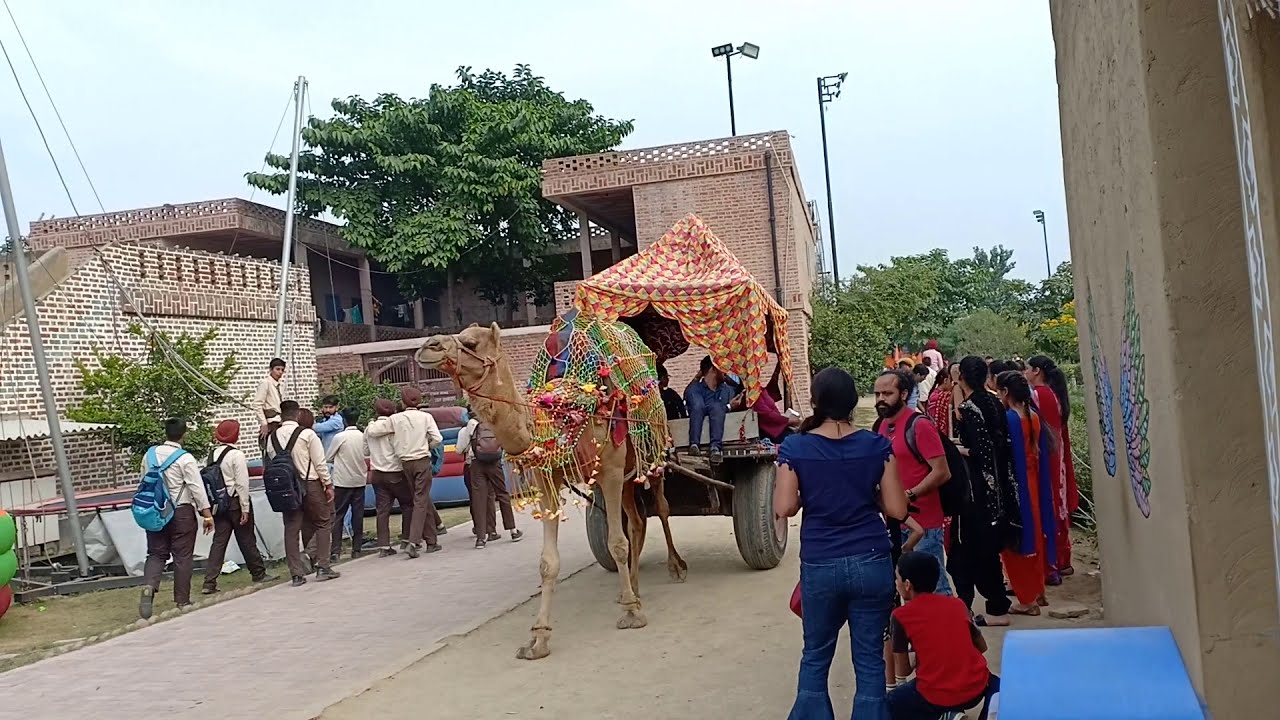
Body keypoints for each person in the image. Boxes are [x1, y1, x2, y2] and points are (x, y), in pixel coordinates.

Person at [775, 367, 908, 720]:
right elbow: (896, 508)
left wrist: (812, 493)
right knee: (868, 658)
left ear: (816, 401)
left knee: (816, 654)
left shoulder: (796, 448)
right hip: (871, 559)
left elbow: (784, 507)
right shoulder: (877, 445)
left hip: (821, 562)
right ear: (852, 402)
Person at [948, 357, 1018, 627]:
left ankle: (991, 606)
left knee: (970, 548)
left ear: (962, 377)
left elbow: (980, 451)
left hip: (977, 489)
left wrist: (957, 449)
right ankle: (993, 603)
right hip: (999, 486)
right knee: (985, 548)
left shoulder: (970, 407)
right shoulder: (993, 402)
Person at [887, 552, 999, 720]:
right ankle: (989, 710)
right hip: (976, 687)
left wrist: (917, 654)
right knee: (995, 682)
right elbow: (982, 646)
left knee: (891, 703)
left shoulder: (900, 616)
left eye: (897, 578)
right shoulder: (957, 604)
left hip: (937, 695)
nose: (896, 583)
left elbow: (903, 670)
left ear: (907, 584)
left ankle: (945, 716)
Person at [874, 370, 953, 596]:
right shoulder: (882, 426)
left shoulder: (919, 425)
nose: (881, 399)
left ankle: (956, 629)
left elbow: (942, 472)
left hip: (925, 523)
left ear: (903, 394)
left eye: (888, 393)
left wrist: (909, 494)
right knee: (907, 589)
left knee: (935, 589)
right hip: (896, 523)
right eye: (878, 393)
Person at [139, 418, 215, 619]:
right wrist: (207, 515)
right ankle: (182, 600)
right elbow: (196, 488)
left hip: (156, 511)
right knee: (182, 556)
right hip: (181, 512)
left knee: (156, 553)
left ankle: (149, 585)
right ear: (184, 434)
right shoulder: (185, 458)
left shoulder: (150, 454)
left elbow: (143, 480)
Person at [995, 371, 1056, 615]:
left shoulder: (1010, 418)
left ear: (1006, 392)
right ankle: (1038, 591)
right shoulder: (1033, 416)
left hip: (1018, 486)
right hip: (1034, 484)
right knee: (1036, 536)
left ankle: (1027, 599)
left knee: (1016, 541)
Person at [270, 400, 340, 586]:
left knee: (291, 529)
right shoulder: (307, 434)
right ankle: (323, 566)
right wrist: (328, 484)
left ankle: (296, 574)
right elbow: (319, 462)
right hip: (310, 483)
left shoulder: (271, 437)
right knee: (324, 521)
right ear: (297, 414)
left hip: (286, 487)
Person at [201, 419, 273, 595]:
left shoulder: (211, 455)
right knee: (246, 539)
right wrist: (245, 507)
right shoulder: (236, 455)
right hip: (235, 501)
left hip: (218, 503)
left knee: (219, 542)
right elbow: (242, 484)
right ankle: (258, 573)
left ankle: (209, 582)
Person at [1026, 355, 1078, 580]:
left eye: (1027, 369)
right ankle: (1061, 558)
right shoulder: (1051, 394)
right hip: (1056, 459)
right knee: (1058, 506)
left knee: (1052, 507)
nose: (1025, 372)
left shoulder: (1040, 395)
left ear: (1037, 371)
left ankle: (1055, 560)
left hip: (1049, 460)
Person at [384, 387, 444, 557]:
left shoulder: (395, 419)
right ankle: (414, 541)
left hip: (405, 462)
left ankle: (431, 541)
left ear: (402, 402)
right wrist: (427, 445)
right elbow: (438, 439)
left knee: (421, 499)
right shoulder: (426, 417)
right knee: (421, 500)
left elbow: (376, 430)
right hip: (421, 460)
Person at [458, 416, 523, 549]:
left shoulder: (471, 424)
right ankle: (513, 530)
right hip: (495, 463)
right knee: (502, 494)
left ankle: (481, 538)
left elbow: (461, 449)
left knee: (479, 499)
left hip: (476, 464)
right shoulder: (496, 421)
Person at [367, 399, 413, 557]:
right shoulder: (396, 427)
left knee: (382, 510)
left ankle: (384, 545)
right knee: (407, 505)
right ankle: (406, 539)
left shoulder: (369, 428)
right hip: (396, 471)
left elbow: (365, 450)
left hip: (377, 473)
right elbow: (401, 447)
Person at [326, 407, 368, 562]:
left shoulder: (340, 437)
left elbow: (329, 457)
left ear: (344, 420)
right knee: (358, 515)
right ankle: (357, 549)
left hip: (343, 481)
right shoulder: (362, 436)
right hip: (359, 479)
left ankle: (335, 551)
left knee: (338, 515)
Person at [684, 356, 734, 462]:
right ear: (714, 369)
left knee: (716, 407)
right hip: (699, 408)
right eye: (722, 367)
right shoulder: (694, 389)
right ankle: (694, 445)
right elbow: (697, 406)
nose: (725, 371)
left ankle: (715, 448)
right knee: (698, 406)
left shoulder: (726, 390)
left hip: (723, 433)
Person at [254, 358, 286, 455]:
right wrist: (263, 423)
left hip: (280, 421)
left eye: (282, 370)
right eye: (277, 369)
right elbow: (257, 404)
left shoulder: (280, 385)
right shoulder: (265, 383)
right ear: (271, 369)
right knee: (271, 450)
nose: (280, 372)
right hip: (271, 422)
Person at [924, 364, 953, 439]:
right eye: (952, 382)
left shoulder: (934, 394)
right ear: (945, 380)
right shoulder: (942, 396)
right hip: (938, 434)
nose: (953, 385)